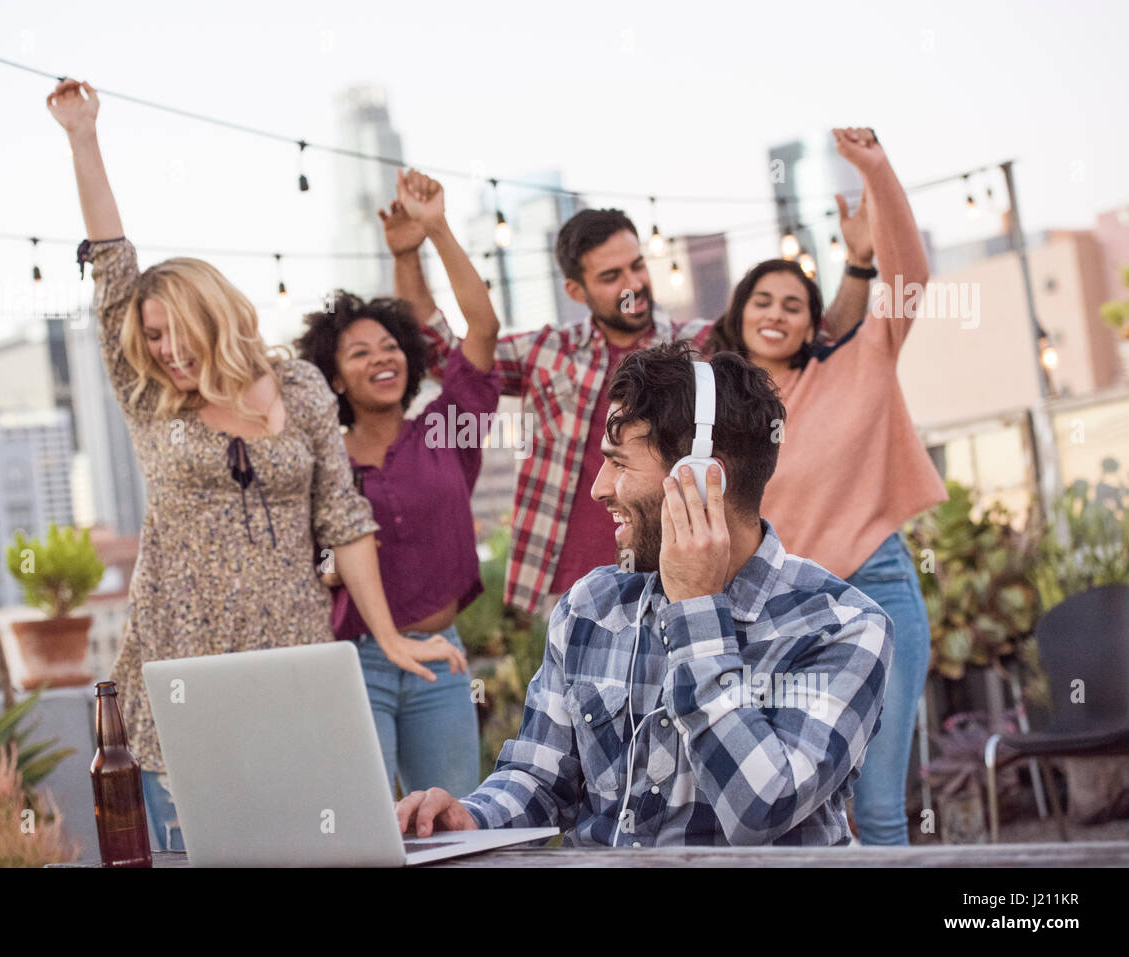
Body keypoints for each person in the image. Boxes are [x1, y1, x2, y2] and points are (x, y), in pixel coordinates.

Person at [45, 78, 465, 851]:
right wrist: (83, 137)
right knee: (202, 848)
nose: (165, 349)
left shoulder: (300, 385)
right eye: (153, 334)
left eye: (176, 330)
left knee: (311, 841)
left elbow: (344, 517)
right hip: (181, 658)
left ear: (214, 316)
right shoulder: (148, 397)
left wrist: (392, 638)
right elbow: (112, 265)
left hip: (294, 650)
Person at [395, 343, 893, 846]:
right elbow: (541, 780)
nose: (599, 488)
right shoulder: (591, 606)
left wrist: (697, 612)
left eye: (619, 464)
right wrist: (472, 819)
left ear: (701, 478)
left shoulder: (841, 626)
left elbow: (762, 809)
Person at [390, 202, 875, 623]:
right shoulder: (547, 352)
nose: (634, 284)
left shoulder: (704, 349)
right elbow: (443, 356)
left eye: (637, 266)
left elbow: (813, 337)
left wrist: (857, 264)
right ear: (576, 291)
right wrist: (409, 252)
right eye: (610, 276)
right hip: (570, 589)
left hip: (683, 572)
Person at [695, 127, 947, 845]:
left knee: (876, 810)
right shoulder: (714, 411)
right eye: (762, 301)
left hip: (879, 588)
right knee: (793, 810)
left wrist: (876, 168)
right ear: (739, 314)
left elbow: (909, 281)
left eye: (793, 304)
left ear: (815, 322)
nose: (776, 312)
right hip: (776, 613)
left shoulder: (859, 359)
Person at [295, 169, 498, 796]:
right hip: (355, 661)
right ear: (332, 379)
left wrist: (433, 230)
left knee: (455, 820)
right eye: (358, 353)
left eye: (389, 346)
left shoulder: (444, 432)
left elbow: (482, 330)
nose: (380, 357)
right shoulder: (319, 460)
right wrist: (331, 563)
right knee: (367, 834)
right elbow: (309, 558)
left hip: (440, 655)